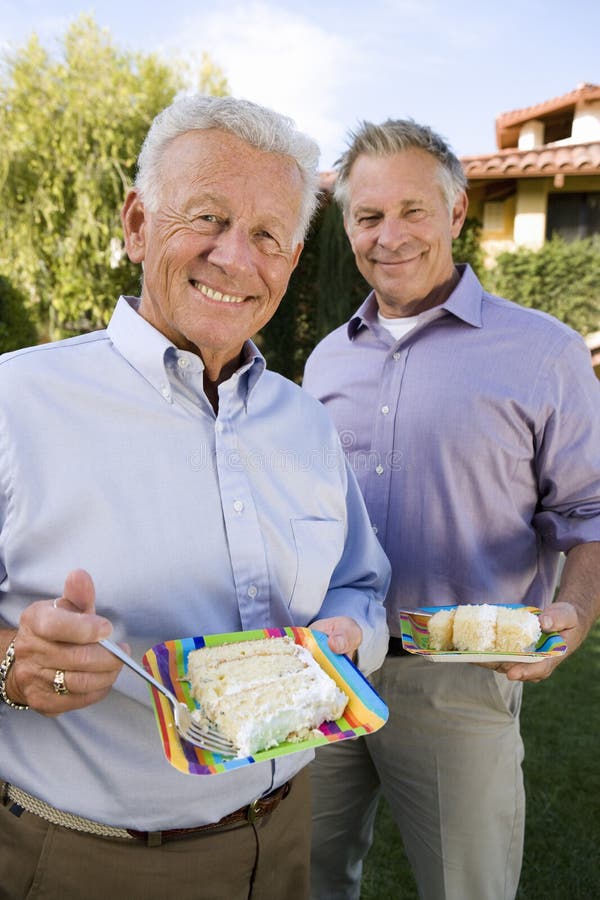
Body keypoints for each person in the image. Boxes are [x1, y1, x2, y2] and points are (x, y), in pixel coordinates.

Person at [0, 96, 391, 900]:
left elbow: (361, 580)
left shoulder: (307, 423)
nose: (235, 259)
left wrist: (354, 634)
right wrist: (9, 663)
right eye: (207, 217)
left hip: (286, 833)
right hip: (86, 861)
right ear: (138, 223)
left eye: (269, 237)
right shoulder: (15, 403)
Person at [303, 118, 600, 900]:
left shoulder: (544, 352)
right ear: (347, 227)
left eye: (413, 211)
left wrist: (572, 612)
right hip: (327, 665)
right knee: (303, 880)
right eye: (368, 217)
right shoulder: (326, 360)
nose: (389, 235)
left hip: (460, 680)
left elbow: (590, 513)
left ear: (458, 212)